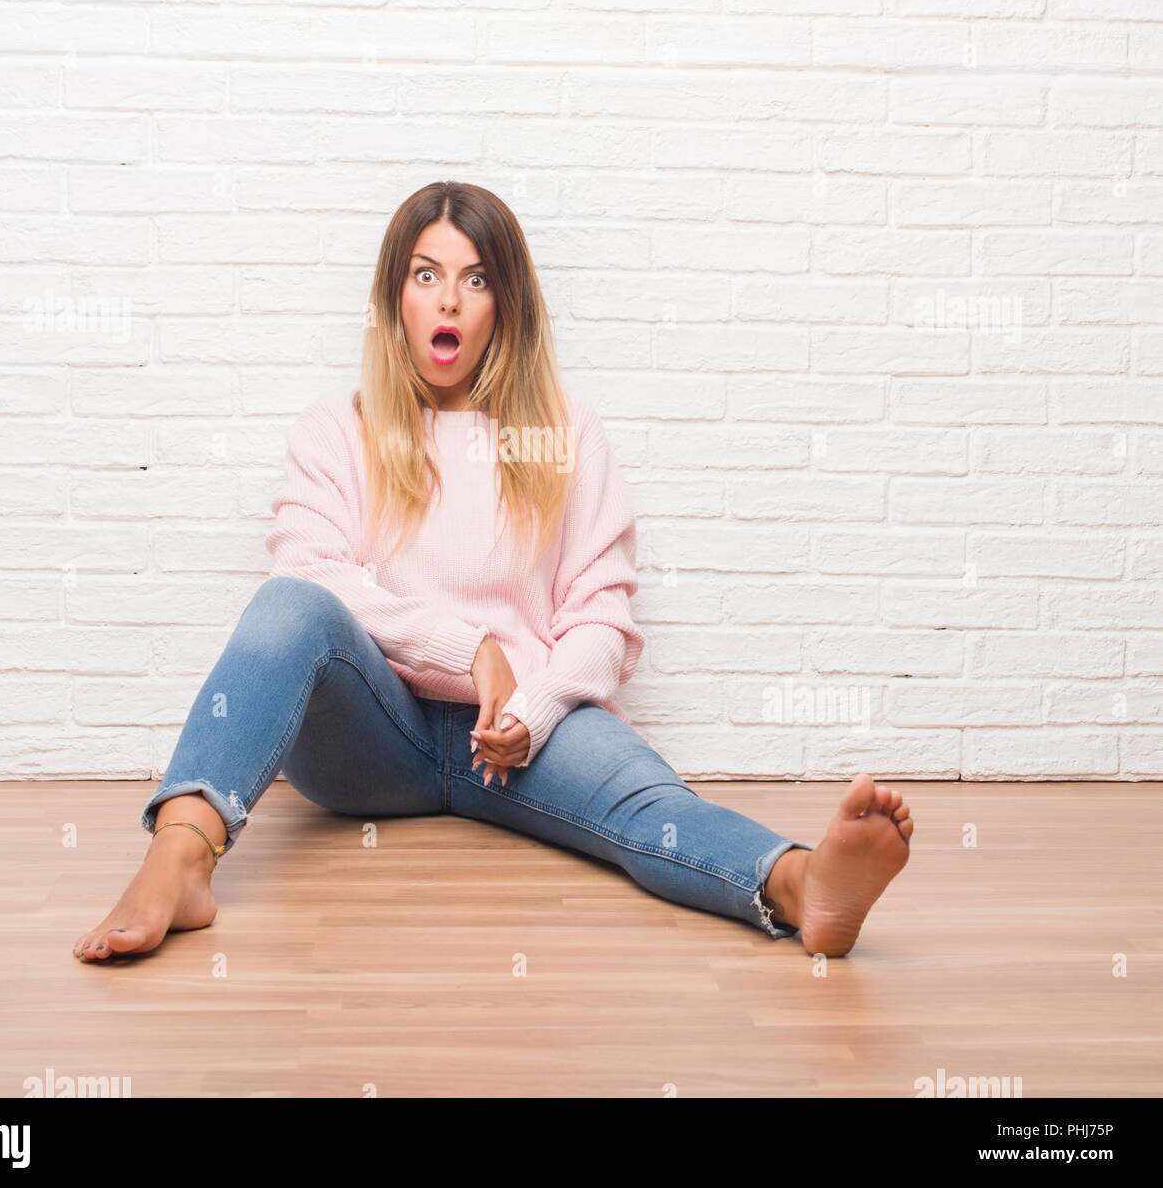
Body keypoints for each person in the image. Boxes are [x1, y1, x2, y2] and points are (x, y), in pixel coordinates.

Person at [74, 181, 912, 966]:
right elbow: (315, 575)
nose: (447, 299)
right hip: (375, 739)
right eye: (426, 275)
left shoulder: (563, 431)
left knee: (646, 807)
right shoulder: (339, 428)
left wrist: (536, 706)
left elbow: (600, 619)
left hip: (521, 736)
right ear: (393, 299)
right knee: (289, 604)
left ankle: (803, 887)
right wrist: (466, 645)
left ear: (502, 306)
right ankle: (180, 857)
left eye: (474, 280)